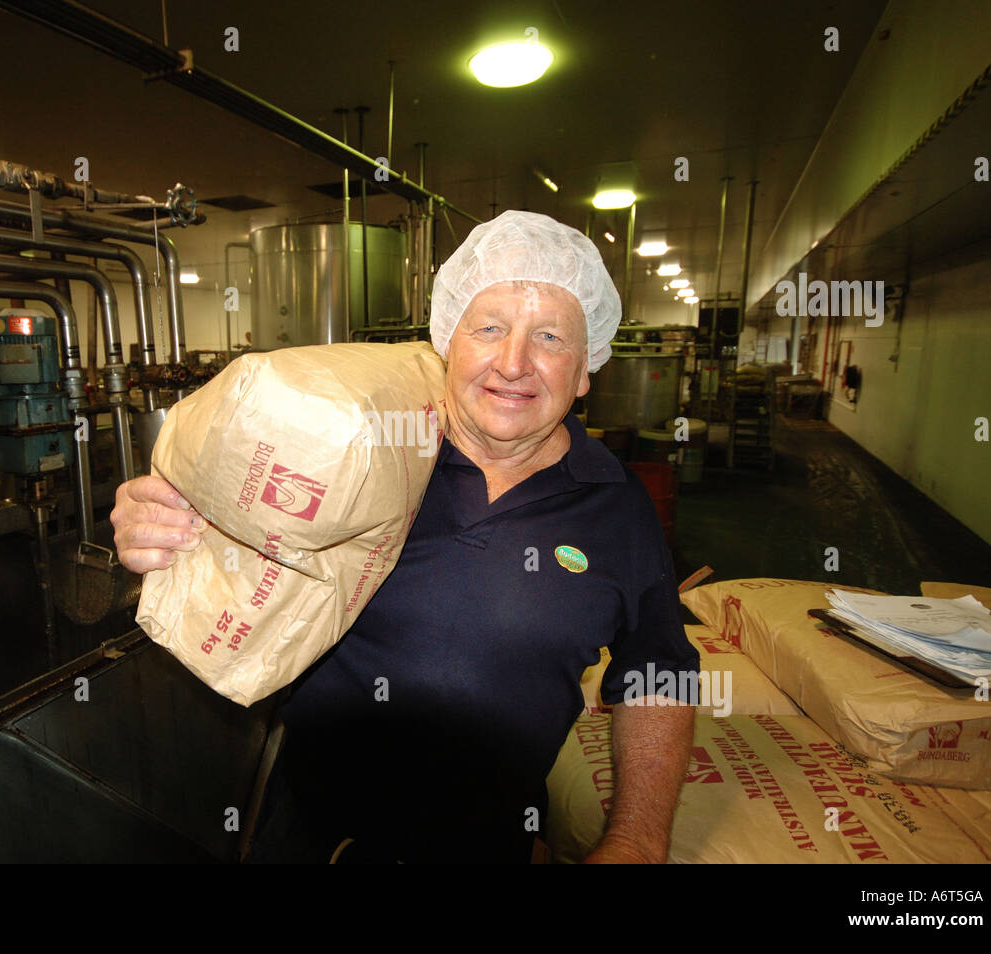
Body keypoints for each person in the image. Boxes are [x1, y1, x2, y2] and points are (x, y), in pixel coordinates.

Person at [113, 210, 698, 863]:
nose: (514, 363)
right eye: (491, 328)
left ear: (587, 369)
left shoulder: (618, 507)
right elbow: (226, 527)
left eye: (550, 337)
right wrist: (158, 520)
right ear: (449, 341)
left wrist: (638, 838)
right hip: (315, 838)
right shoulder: (362, 460)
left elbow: (659, 669)